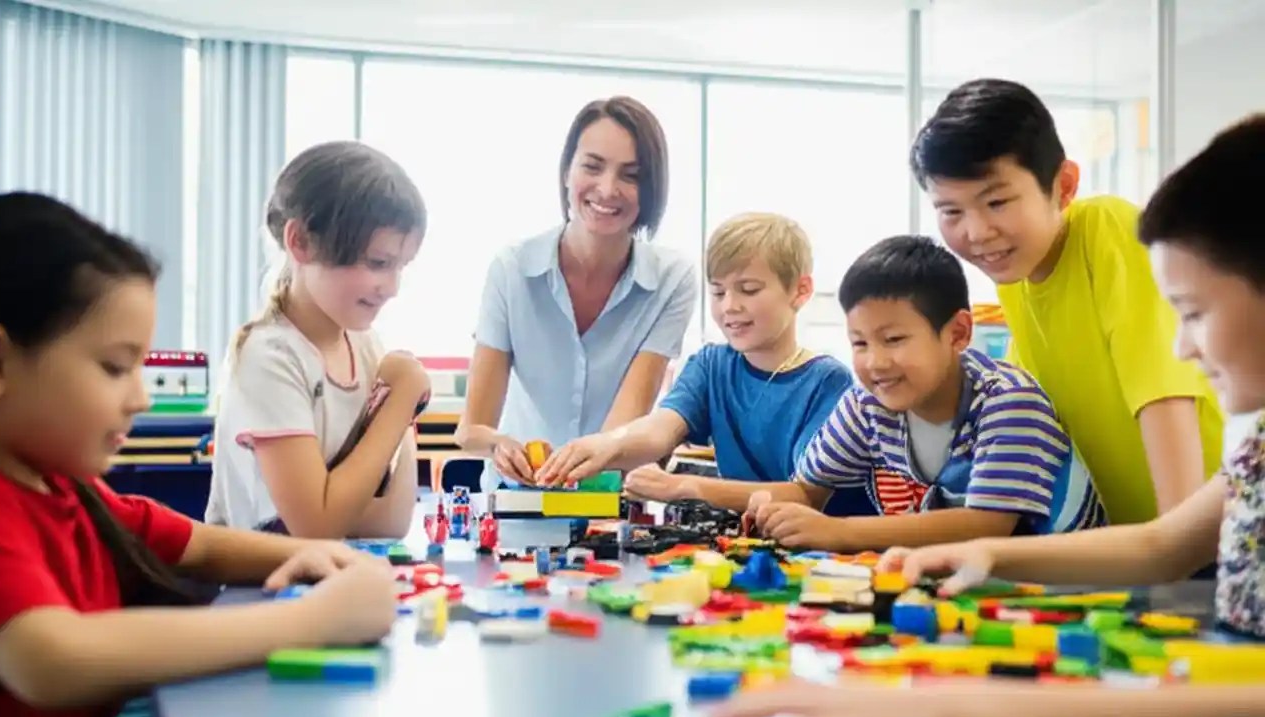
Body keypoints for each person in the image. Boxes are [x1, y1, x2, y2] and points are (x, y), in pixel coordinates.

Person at [707, 114, 1265, 717]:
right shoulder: (1256, 449)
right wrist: (988, 557)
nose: (1183, 348)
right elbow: (1164, 544)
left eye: (1194, 311)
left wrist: (933, 701)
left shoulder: (1012, 384)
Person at [0, 192, 399, 717]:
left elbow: (196, 545)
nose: (141, 398)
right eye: (115, 367)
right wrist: (315, 621)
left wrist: (330, 561)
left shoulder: (65, 489)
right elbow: (50, 659)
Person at [912, 78, 1223, 523]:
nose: (977, 232)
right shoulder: (1016, 277)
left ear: (1064, 185)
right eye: (951, 211)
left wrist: (1174, 564)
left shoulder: (1107, 231)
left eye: (997, 201)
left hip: (1209, 544)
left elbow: (1165, 399)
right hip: (1132, 549)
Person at [722, 235, 1106, 551]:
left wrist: (839, 532)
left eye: (894, 340)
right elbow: (808, 490)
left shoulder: (1008, 401)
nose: (876, 362)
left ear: (957, 333)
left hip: (1073, 586)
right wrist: (776, 509)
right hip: (974, 582)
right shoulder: (867, 405)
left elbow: (988, 525)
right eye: (859, 343)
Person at [534, 212, 870, 516]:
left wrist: (686, 487)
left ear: (800, 291)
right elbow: (661, 429)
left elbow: (805, 496)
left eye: (749, 290)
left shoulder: (828, 382)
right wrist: (607, 445)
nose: (730, 306)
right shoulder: (711, 365)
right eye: (718, 292)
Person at [454, 96, 698, 489]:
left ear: (651, 188)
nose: (607, 189)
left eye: (631, 175)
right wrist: (500, 444)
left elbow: (624, 427)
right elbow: (472, 430)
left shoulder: (672, 279)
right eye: (593, 166)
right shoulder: (511, 269)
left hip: (602, 498)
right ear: (567, 171)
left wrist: (587, 465)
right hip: (515, 498)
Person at [208, 141, 432, 538]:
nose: (392, 287)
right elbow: (318, 527)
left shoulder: (365, 347)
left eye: (402, 266)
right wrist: (403, 396)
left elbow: (390, 523)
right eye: (378, 263)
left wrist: (401, 402)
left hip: (330, 575)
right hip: (256, 587)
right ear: (301, 242)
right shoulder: (269, 357)